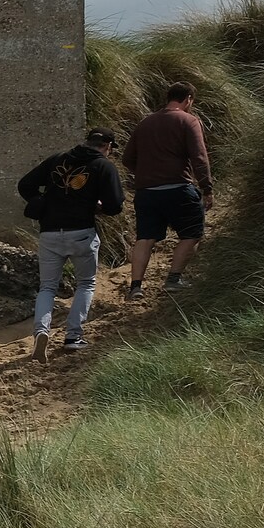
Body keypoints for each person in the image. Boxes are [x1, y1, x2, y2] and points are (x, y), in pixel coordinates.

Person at [18, 127, 126, 358]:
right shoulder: (103, 166)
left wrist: (41, 202)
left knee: (47, 286)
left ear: (87, 142)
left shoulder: (59, 158)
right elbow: (115, 204)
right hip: (82, 233)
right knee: (86, 283)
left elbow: (25, 184)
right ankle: (73, 337)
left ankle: (40, 332)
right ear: (107, 147)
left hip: (50, 233)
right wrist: (98, 207)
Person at [122, 82, 213, 298]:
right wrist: (207, 187)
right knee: (192, 233)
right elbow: (199, 157)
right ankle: (173, 279)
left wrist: (146, 173)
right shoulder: (188, 120)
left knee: (145, 237)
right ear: (188, 99)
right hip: (178, 189)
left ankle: (135, 287)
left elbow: (127, 159)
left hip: (146, 193)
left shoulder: (145, 122)